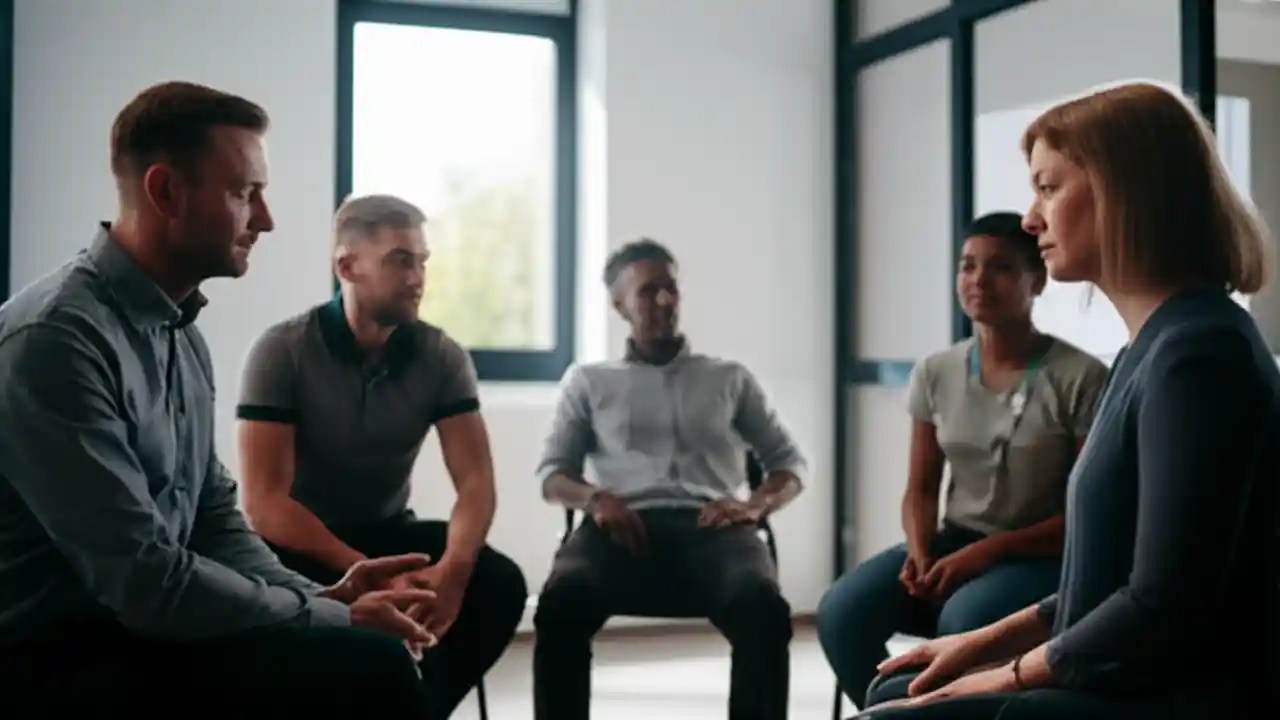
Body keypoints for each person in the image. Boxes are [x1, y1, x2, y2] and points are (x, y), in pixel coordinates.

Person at [0, 82, 436, 714]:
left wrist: (326, 601)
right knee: (366, 666)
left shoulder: (180, 334)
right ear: (166, 192)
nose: (266, 219)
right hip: (57, 656)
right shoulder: (56, 341)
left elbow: (212, 516)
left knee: (374, 649)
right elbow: (147, 581)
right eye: (244, 193)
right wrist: (328, 618)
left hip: (140, 630)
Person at [855, 82, 1279, 720]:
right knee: (895, 688)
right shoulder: (1150, 348)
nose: (1030, 219)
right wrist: (981, 644)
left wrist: (1008, 677)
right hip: (1124, 674)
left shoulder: (1198, 356)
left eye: (1048, 188)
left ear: (1123, 191)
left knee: (890, 712)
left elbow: (1163, 605)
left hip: (1173, 697)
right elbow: (1101, 582)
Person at [236, 193, 527, 718]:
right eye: (400, 260)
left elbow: (476, 481)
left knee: (499, 582)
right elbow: (264, 504)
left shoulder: (441, 355)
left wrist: (454, 572)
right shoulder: (282, 351)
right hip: (297, 546)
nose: (417, 277)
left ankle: (422, 706)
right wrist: (364, 570)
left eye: (422, 262)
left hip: (389, 528)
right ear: (347, 266)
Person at [816, 212, 1109, 708]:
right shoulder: (936, 372)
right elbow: (922, 486)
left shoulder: (1079, 377)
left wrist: (990, 552)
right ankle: (892, 715)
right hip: (955, 542)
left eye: (999, 268)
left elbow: (1088, 513)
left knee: (962, 619)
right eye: (968, 266)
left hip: (1039, 554)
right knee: (841, 612)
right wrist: (920, 549)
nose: (978, 280)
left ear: (1035, 279)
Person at [532, 238, 807, 720]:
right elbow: (553, 476)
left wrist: (753, 506)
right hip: (619, 526)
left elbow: (790, 465)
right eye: (647, 291)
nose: (663, 301)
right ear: (620, 305)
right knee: (560, 603)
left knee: (761, 606)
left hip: (714, 528)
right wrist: (596, 499)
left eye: (671, 289)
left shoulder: (729, 378)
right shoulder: (589, 381)